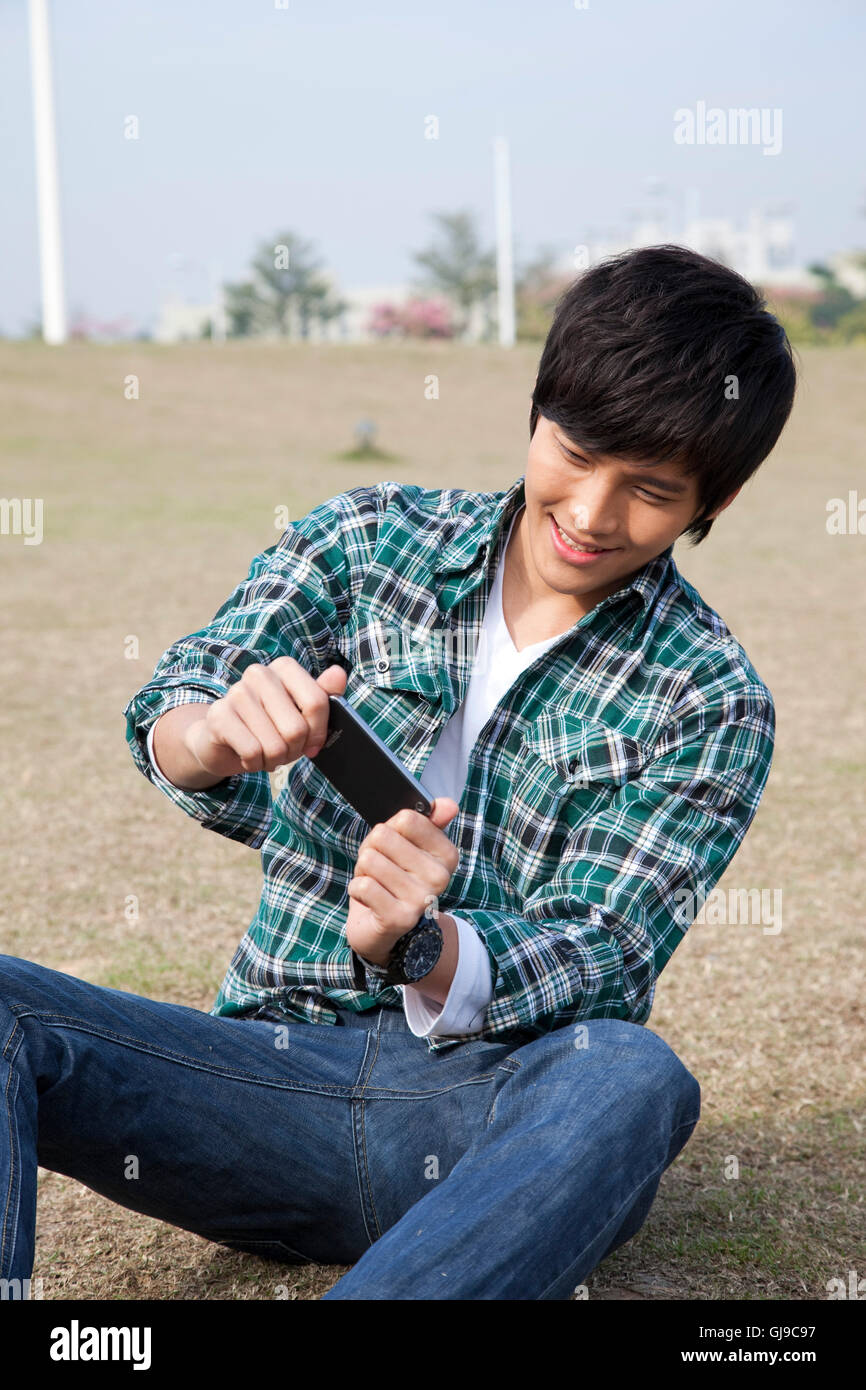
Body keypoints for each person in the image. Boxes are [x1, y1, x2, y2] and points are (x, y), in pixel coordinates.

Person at [0, 245, 796, 1300]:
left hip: (495, 1115)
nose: (592, 513)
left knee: (631, 1074)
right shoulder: (372, 538)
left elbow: (604, 949)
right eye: (575, 450)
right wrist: (210, 734)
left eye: (648, 490)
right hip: (266, 1081)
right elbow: (182, 689)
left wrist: (424, 945)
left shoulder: (711, 694)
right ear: (536, 409)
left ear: (715, 499)